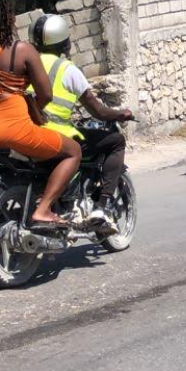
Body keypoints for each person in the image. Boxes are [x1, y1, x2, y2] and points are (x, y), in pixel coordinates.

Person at [0, 0, 81, 232]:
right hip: (14, 132)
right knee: (73, 151)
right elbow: (45, 95)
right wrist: (34, 111)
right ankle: (43, 209)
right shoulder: (21, 50)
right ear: (7, 18)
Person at [27, 14, 134, 233]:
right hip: (57, 135)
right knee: (116, 141)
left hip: (27, 133)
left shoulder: (26, 65)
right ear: (64, 41)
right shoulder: (68, 70)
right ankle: (101, 207)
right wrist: (119, 114)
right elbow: (98, 111)